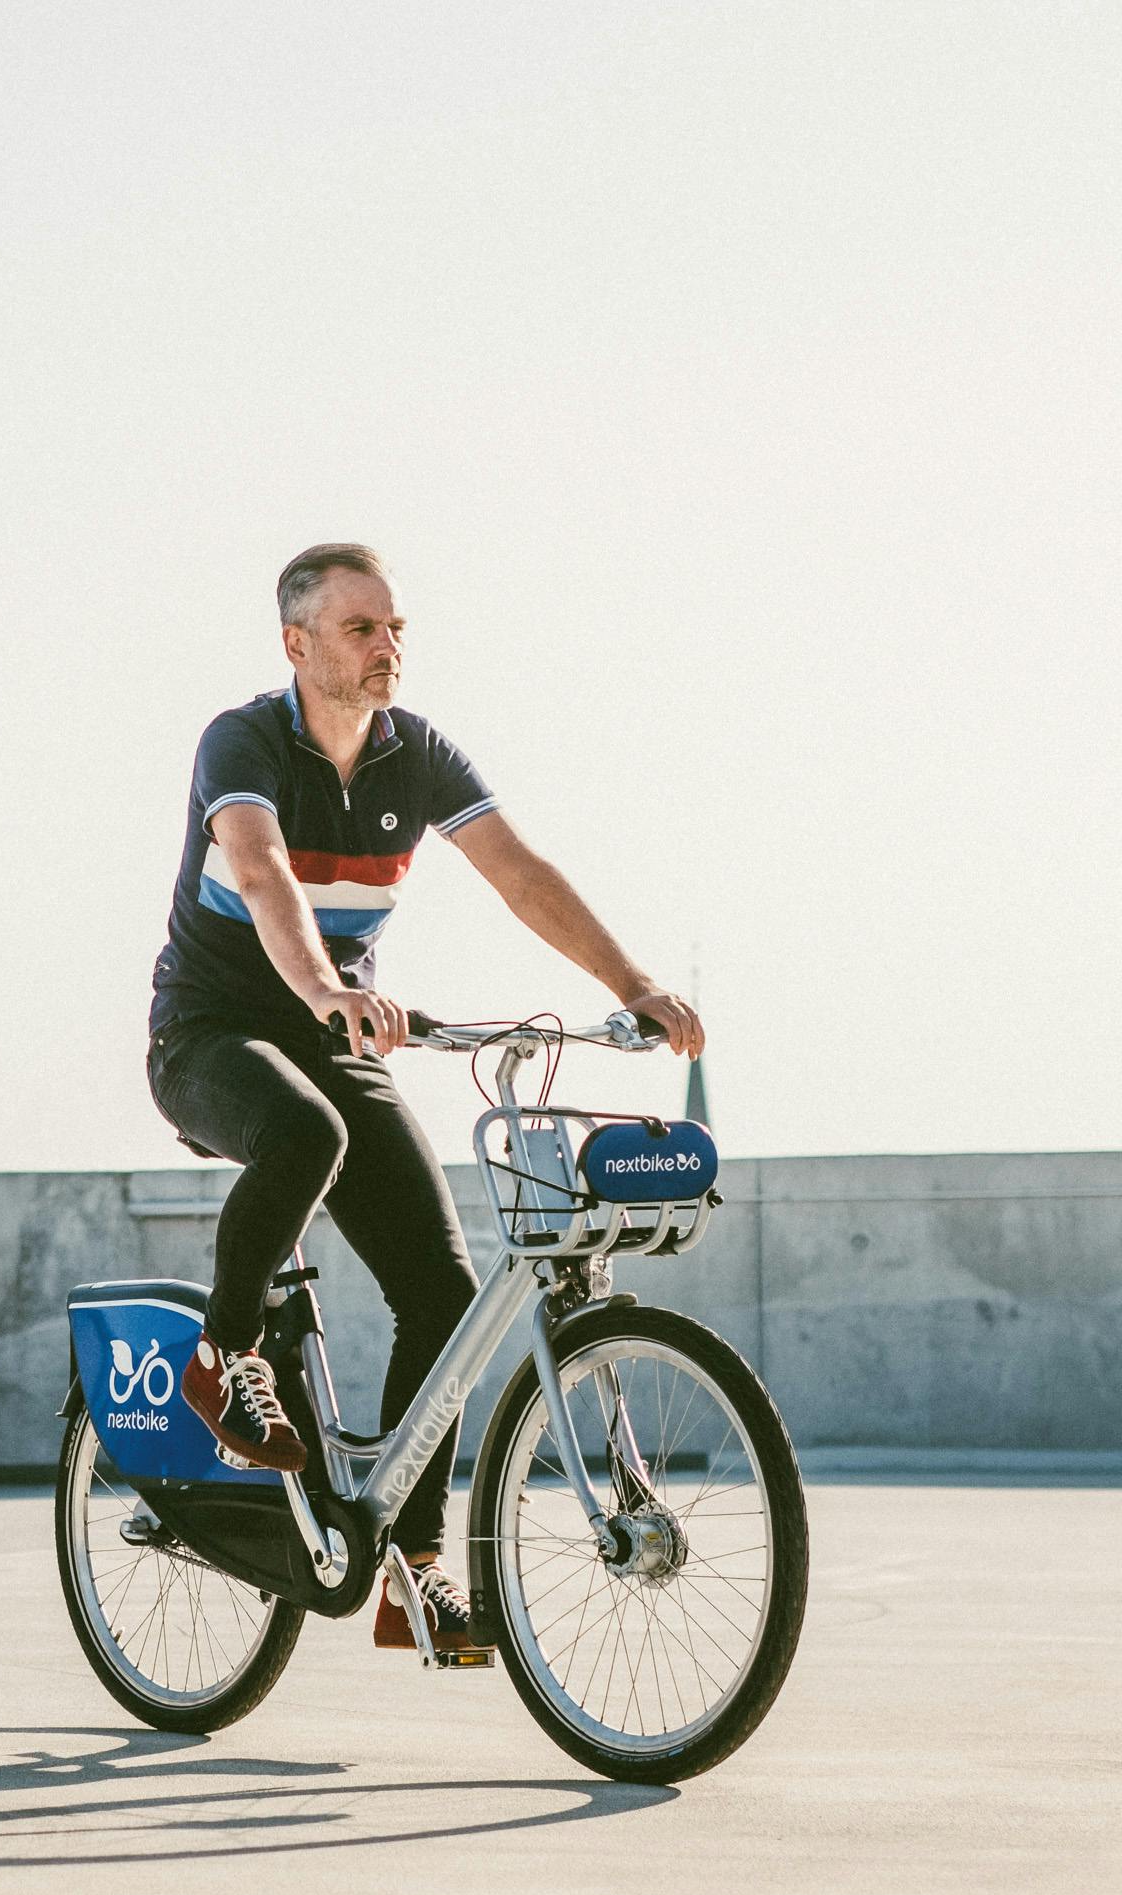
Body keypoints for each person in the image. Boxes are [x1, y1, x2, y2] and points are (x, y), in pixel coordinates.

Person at [147, 543, 706, 1659]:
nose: (388, 646)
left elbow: (520, 871)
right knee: (306, 1129)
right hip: (212, 1032)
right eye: (361, 629)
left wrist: (632, 984)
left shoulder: (417, 755)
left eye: (396, 627)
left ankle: (417, 1562)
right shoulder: (244, 740)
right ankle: (226, 1352)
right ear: (298, 644)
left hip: (334, 1031)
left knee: (442, 1293)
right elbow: (260, 872)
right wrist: (323, 988)